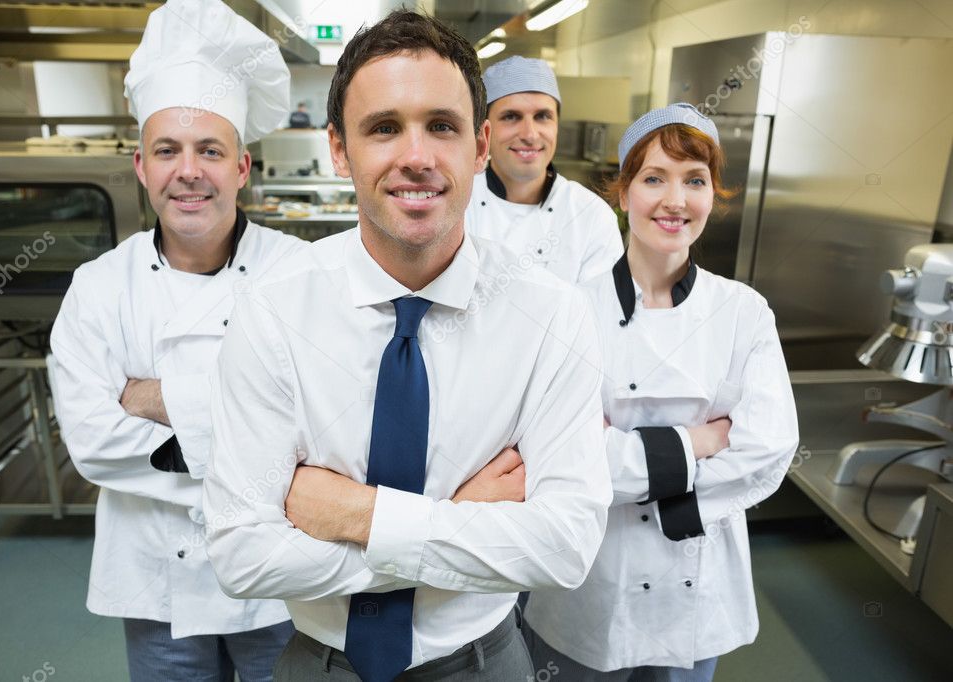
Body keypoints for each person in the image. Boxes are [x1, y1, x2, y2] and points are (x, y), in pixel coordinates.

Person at [202, 10, 613, 682]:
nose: (415, 156)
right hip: (320, 662)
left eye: (442, 126)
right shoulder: (274, 312)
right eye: (384, 127)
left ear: (479, 147)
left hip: (483, 661)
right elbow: (244, 557)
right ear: (339, 149)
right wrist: (460, 518)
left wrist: (355, 515)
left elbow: (564, 548)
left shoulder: (549, 315)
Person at [48, 1, 306, 679]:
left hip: (279, 580)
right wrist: (250, 426)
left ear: (243, 167)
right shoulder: (98, 287)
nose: (188, 171)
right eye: (168, 151)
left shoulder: (302, 275)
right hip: (155, 583)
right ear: (141, 166)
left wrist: (155, 398)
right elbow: (94, 444)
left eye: (210, 151)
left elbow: (326, 426)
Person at [519, 102, 800, 681]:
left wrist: (621, 455)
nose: (675, 200)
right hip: (589, 583)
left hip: (696, 592)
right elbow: (558, 458)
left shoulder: (743, 312)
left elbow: (768, 447)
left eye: (694, 180)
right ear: (623, 194)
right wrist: (701, 440)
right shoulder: (570, 311)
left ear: (712, 196)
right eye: (653, 178)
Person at [465, 55, 623, 284]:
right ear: (485, 130)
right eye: (511, 116)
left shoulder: (590, 216)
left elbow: (600, 313)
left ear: (557, 125)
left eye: (543, 117)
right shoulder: (459, 204)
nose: (529, 134)